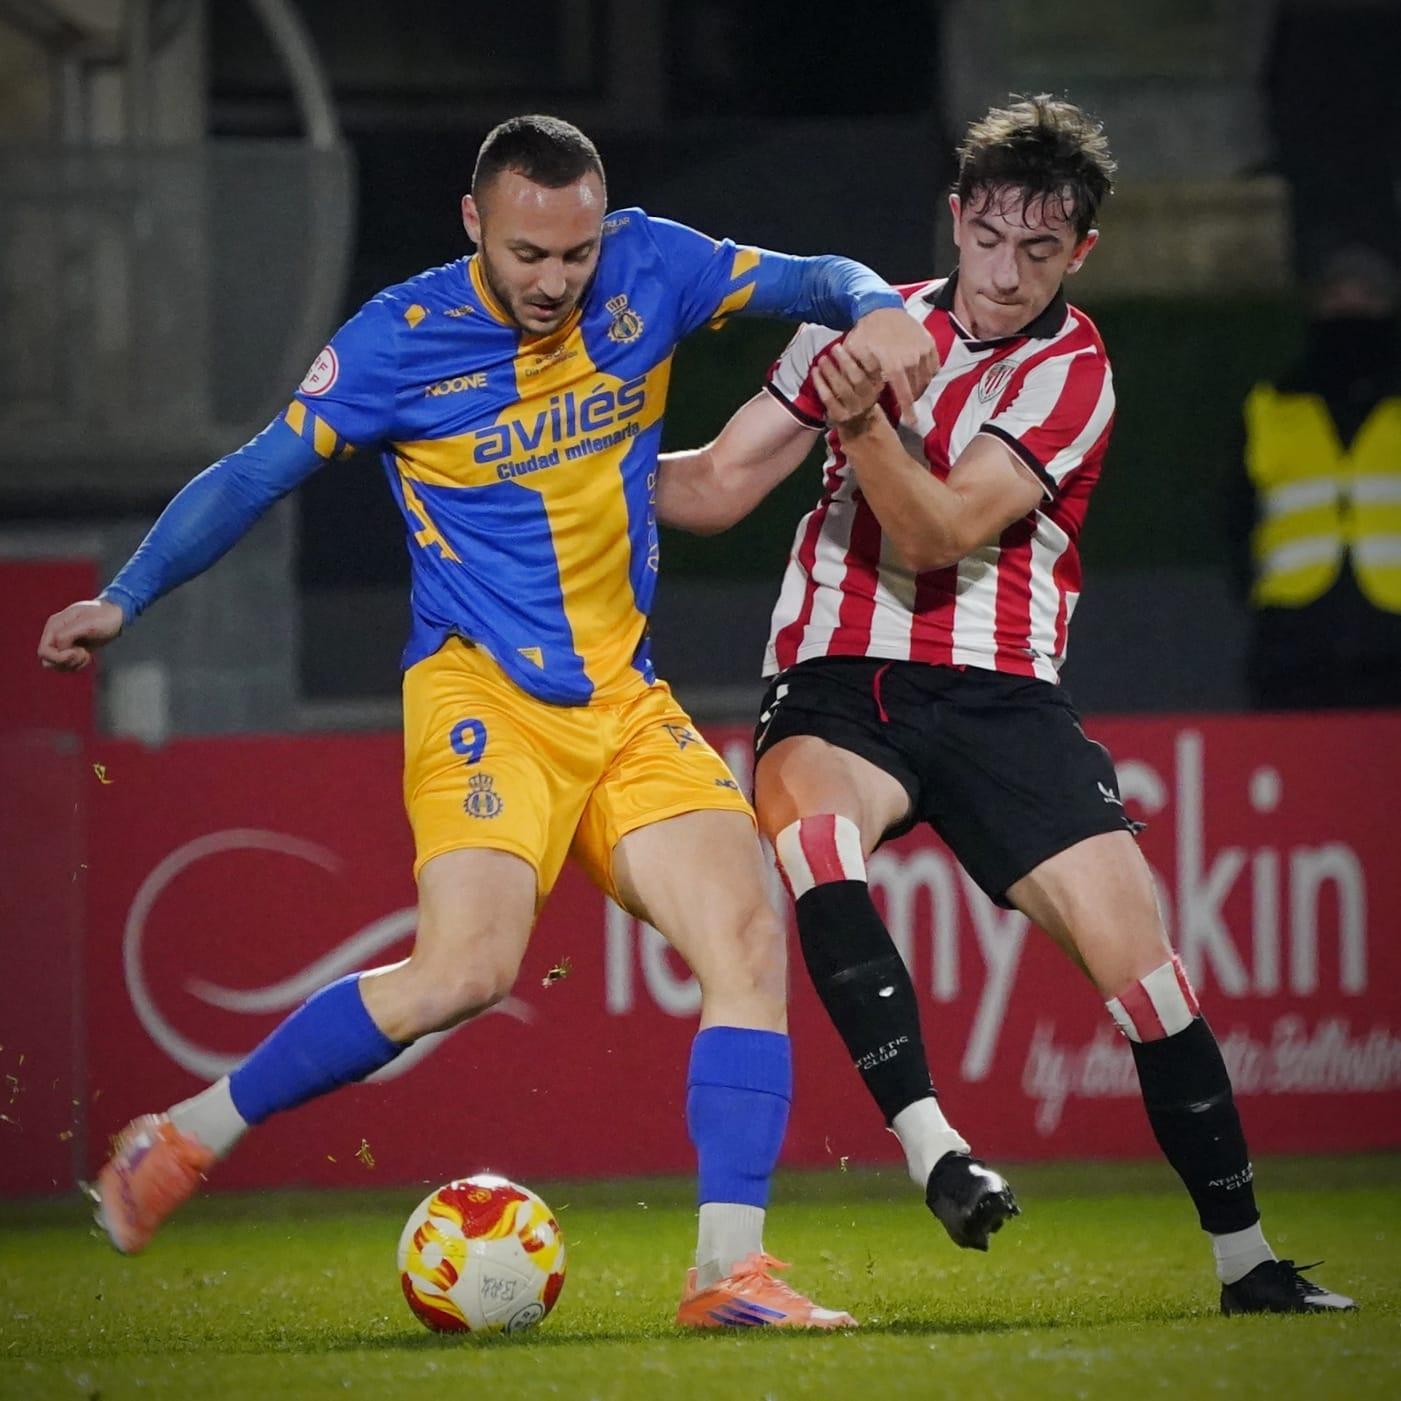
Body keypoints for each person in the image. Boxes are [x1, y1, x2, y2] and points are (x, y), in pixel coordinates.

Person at [37, 113, 941, 1330]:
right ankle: (188, 1137)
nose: (554, 283)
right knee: (467, 970)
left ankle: (729, 1272)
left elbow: (818, 280)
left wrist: (877, 302)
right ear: (475, 224)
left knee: (743, 927)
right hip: (480, 696)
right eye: (527, 256)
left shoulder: (653, 265)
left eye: (573, 257)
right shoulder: (397, 342)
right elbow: (251, 472)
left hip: (622, 697)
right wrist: (121, 596)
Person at [657, 95, 1356, 1316]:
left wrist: (857, 407)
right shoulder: (862, 321)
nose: (1009, 272)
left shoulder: (1074, 371)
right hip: (836, 679)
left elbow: (935, 529)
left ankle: (1248, 1264)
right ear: (958, 216)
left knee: (1148, 980)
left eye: (1043, 250)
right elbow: (713, 488)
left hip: (1002, 698)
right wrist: (551, 463)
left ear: (1080, 251)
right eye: (992, 237)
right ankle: (936, 1147)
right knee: (817, 846)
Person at [1227, 244, 1401, 710]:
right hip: (1294, 639)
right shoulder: (1271, 404)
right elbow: (1236, 515)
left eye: (1366, 295)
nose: (1351, 308)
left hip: (1392, 636)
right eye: (1338, 296)